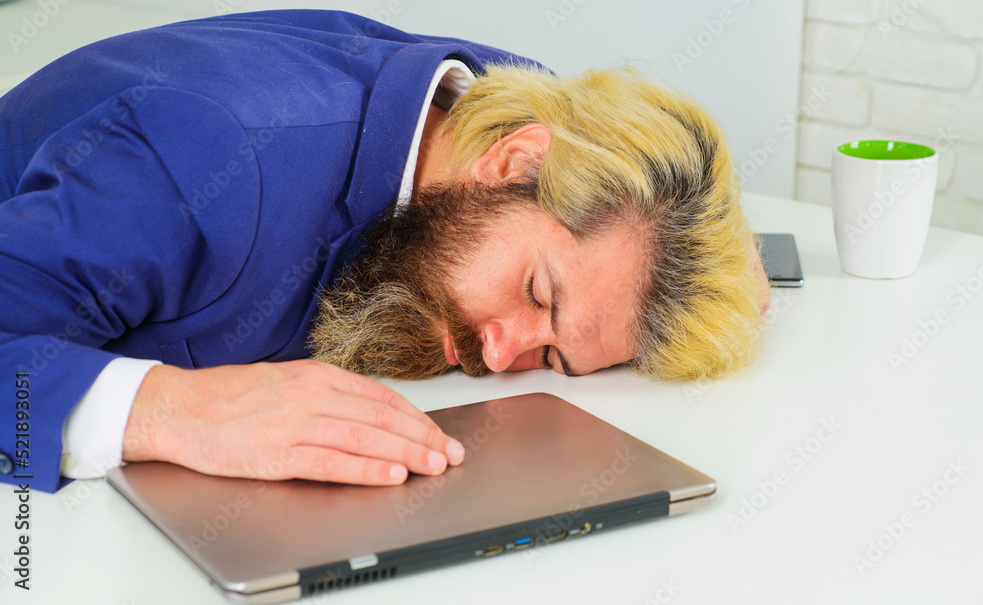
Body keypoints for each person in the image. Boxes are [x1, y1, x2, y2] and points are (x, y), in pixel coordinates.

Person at [0, 10, 768, 494]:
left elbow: (625, 188)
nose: (498, 354)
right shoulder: (209, 161)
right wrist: (172, 411)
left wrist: (712, 247)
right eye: (538, 293)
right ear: (512, 163)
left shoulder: (495, 117)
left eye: (555, 358)